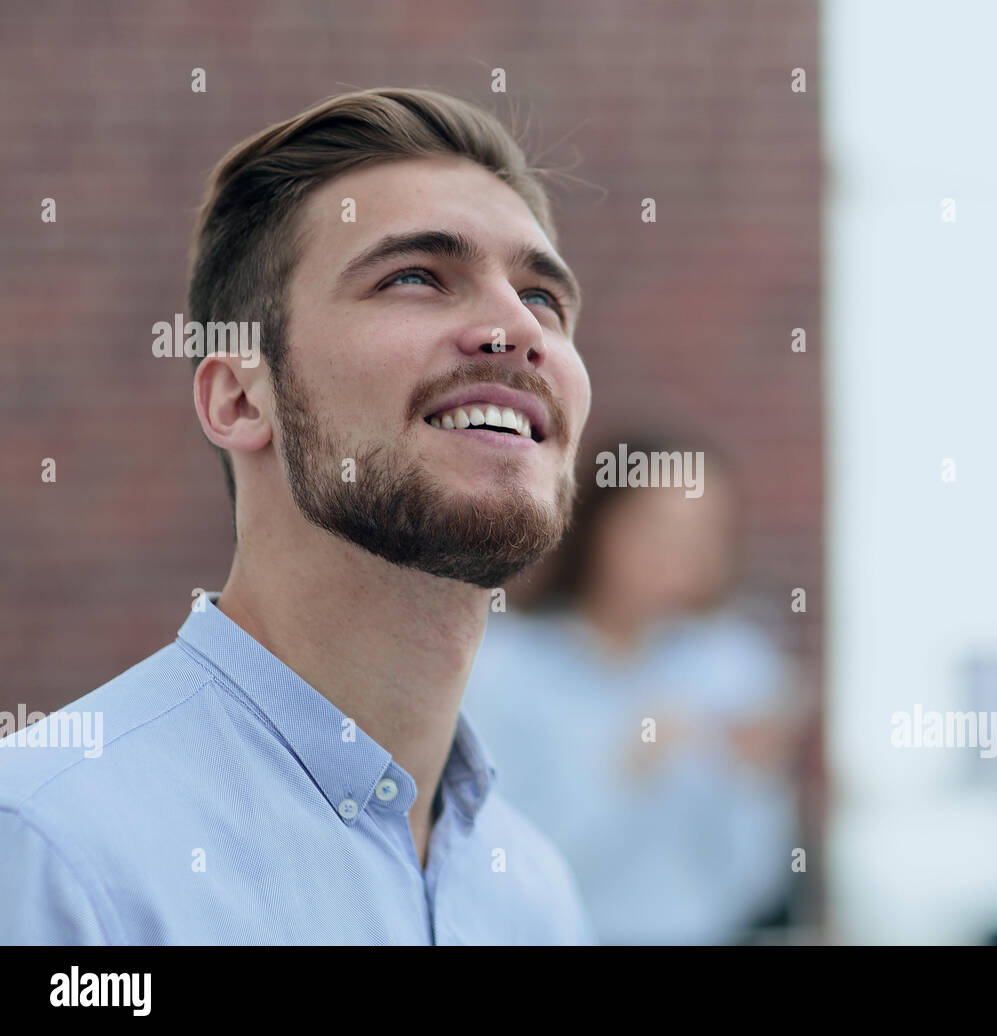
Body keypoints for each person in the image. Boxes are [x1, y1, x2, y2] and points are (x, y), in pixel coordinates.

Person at [0, 88, 597, 944]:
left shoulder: (537, 900)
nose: (515, 328)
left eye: (544, 298)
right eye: (417, 277)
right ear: (242, 397)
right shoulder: (52, 850)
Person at [464, 432, 807, 944]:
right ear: (599, 524)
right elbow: (494, 859)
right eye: (660, 528)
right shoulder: (508, 664)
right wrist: (627, 770)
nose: (682, 554)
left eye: (704, 533)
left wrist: (752, 783)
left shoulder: (733, 665)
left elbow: (755, 881)